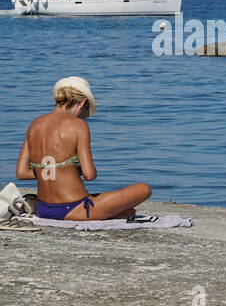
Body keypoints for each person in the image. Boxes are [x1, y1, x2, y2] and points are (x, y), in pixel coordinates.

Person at [15, 76, 151, 221]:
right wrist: (73, 170)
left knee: (104, 198)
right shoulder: (78, 125)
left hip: (43, 208)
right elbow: (89, 175)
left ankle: (108, 214)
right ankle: (104, 214)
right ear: (83, 102)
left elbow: (22, 173)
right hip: (73, 208)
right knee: (144, 189)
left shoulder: (35, 125)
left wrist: (56, 170)